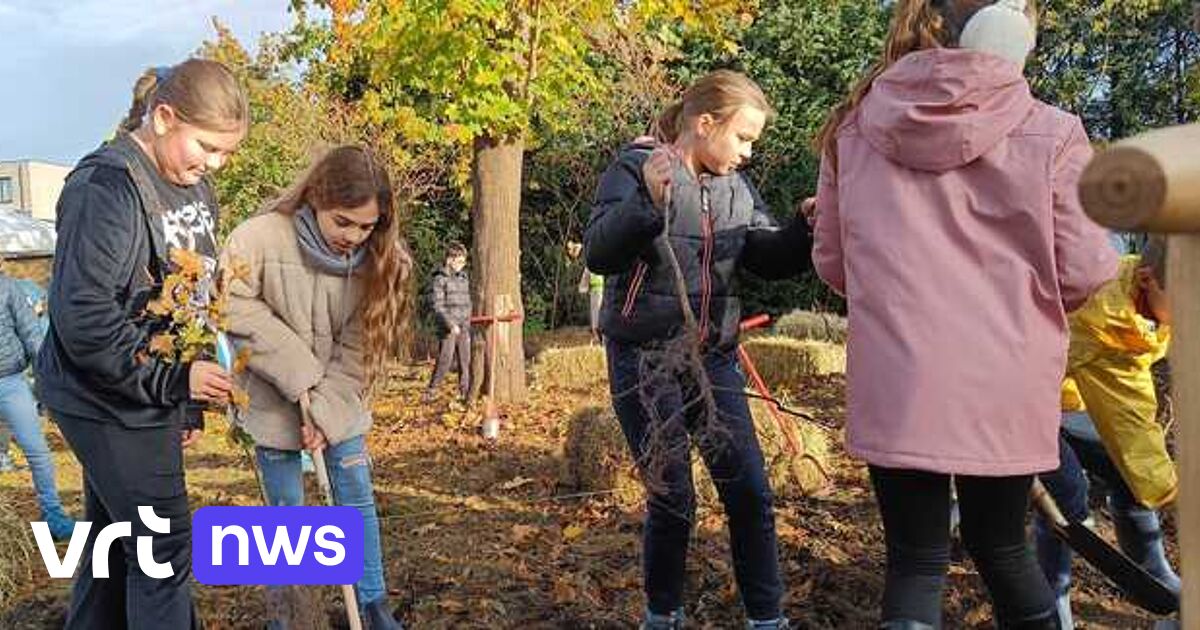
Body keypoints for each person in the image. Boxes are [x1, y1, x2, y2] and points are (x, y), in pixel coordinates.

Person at [810, 1, 1118, 627]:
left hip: (899, 377)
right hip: (1004, 377)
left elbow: (836, 268)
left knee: (915, 560)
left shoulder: (854, 128)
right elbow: (1087, 270)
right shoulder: (1052, 131)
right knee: (1003, 548)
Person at [585, 69, 810, 630]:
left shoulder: (736, 188)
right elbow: (600, 253)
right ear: (705, 124)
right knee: (673, 496)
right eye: (743, 137)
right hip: (644, 359)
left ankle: (768, 619)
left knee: (751, 492)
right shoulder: (637, 167)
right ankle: (662, 615)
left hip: (713, 358)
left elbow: (765, 255)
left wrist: (805, 230)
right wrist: (648, 206)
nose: (748, 152)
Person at [36, 59, 247, 629]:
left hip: (149, 393)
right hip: (100, 395)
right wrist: (170, 382)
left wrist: (183, 400)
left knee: (112, 546)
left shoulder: (195, 188)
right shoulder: (104, 186)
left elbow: (192, 298)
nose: (214, 164)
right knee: (163, 548)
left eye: (226, 153)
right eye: (205, 146)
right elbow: (83, 320)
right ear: (163, 117)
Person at [222, 145, 410, 630]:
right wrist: (295, 367)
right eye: (343, 222)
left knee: (356, 496)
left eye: (367, 226)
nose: (355, 236)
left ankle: (372, 605)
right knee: (286, 512)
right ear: (315, 198)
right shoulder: (257, 238)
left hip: (340, 402)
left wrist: (325, 414)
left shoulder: (385, 261)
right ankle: (291, 615)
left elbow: (361, 350)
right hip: (269, 401)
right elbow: (230, 306)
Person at [1036, 240, 1180, 628]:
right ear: (1149, 280)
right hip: (1015, 391)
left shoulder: (1144, 310)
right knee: (1066, 491)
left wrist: (1159, 483)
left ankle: (1148, 571)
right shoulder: (1104, 312)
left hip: (1067, 386)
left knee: (1128, 471)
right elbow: (1126, 402)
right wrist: (1167, 487)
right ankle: (1052, 601)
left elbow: (1127, 405)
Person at [0, 261, 73, 538]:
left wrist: (47, 384)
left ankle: (54, 516)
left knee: (37, 451)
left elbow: (32, 333)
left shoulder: (8, 288)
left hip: (10, 382)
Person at [423, 242, 471, 403]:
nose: (462, 265)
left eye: (464, 262)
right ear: (450, 260)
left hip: (464, 326)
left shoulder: (463, 277)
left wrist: (467, 321)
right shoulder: (440, 279)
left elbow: (467, 301)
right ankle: (432, 390)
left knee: (466, 361)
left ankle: (465, 393)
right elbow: (437, 306)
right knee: (445, 360)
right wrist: (450, 324)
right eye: (459, 261)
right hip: (448, 328)